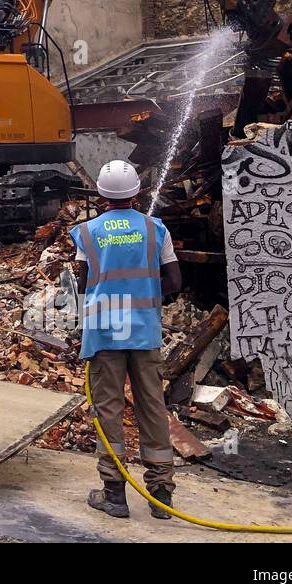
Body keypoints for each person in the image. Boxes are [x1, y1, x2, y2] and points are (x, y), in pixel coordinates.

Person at [71, 159, 183, 520]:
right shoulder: (155, 230)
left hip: (105, 332)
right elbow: (175, 283)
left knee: (109, 409)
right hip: (145, 332)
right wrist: (146, 298)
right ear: (137, 190)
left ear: (101, 193)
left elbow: (84, 281)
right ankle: (161, 495)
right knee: (153, 406)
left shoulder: (88, 232)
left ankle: (115, 494)